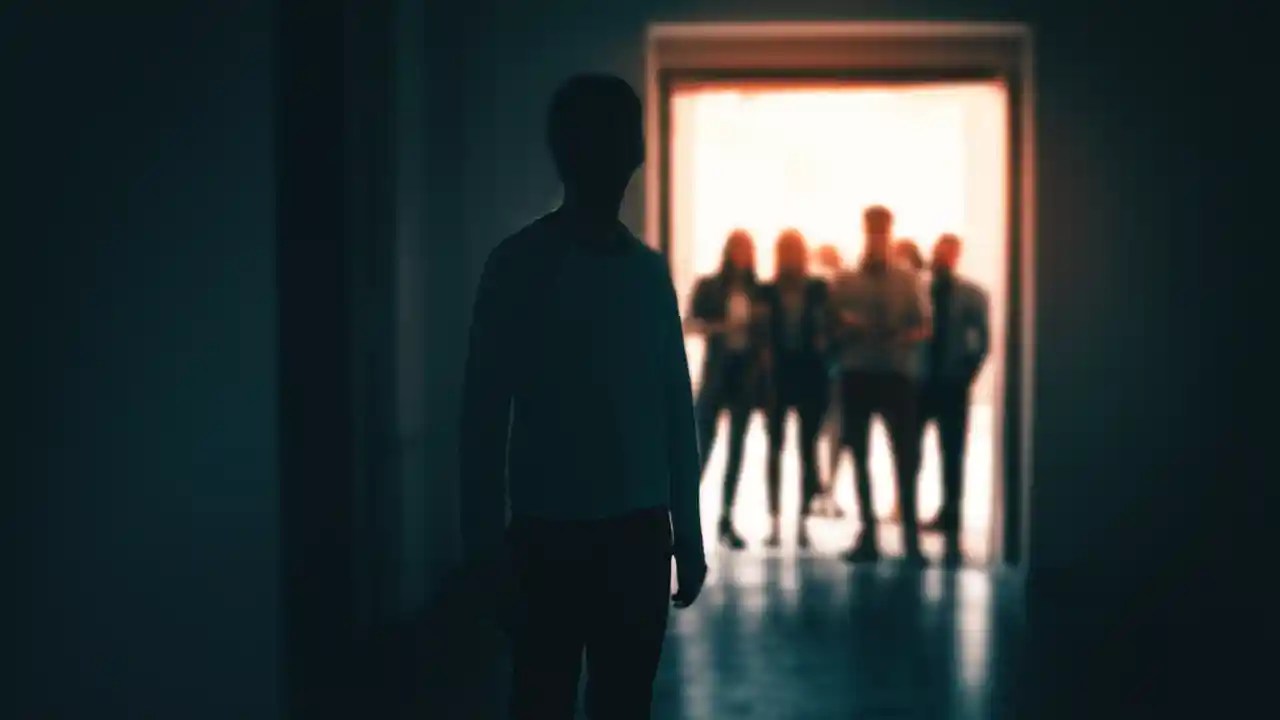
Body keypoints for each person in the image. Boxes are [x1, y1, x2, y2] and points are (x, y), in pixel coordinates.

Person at [459, 73, 706, 720]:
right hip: (570, 535)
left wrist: (688, 532)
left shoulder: (612, 271)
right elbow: (483, 417)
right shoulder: (531, 267)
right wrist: (484, 547)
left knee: (583, 698)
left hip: (603, 533)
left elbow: (674, 411)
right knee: (566, 698)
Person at [829, 206, 931, 565]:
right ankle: (871, 534)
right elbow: (829, 328)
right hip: (859, 373)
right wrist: (848, 328)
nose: (877, 237)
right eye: (873, 230)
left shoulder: (907, 279)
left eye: (881, 231)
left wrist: (900, 336)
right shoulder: (845, 280)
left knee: (904, 456)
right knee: (860, 456)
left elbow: (924, 326)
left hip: (894, 373)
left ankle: (908, 539)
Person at [686, 230, 768, 550]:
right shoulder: (710, 286)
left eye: (747, 249)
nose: (742, 255)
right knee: (701, 447)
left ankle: (726, 518)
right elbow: (691, 323)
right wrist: (722, 327)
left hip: (744, 375)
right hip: (717, 373)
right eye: (737, 249)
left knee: (736, 450)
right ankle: (683, 517)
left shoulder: (758, 290)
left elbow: (767, 333)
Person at [916, 234, 990, 566]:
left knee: (953, 455)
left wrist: (966, 373)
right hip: (921, 382)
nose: (941, 259)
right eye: (938, 252)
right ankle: (912, 514)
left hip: (950, 382)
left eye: (947, 254)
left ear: (956, 257)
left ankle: (951, 517)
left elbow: (981, 340)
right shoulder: (920, 290)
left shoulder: (972, 295)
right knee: (913, 453)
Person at [758, 229, 831, 548]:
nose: (790, 257)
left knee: (806, 450)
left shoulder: (818, 289)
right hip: (778, 373)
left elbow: (829, 326)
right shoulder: (767, 290)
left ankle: (802, 521)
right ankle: (775, 520)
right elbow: (760, 331)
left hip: (809, 373)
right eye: (785, 251)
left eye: (794, 251)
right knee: (775, 447)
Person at [880, 238, 927, 523]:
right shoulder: (897, 291)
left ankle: (906, 504)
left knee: (908, 448)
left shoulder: (916, 289)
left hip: (912, 377)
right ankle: (902, 503)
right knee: (902, 446)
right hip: (899, 376)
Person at [811, 243, 847, 519]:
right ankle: (827, 490)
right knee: (833, 436)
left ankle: (823, 490)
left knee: (820, 436)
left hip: (826, 373)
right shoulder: (835, 295)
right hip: (834, 374)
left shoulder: (821, 295)